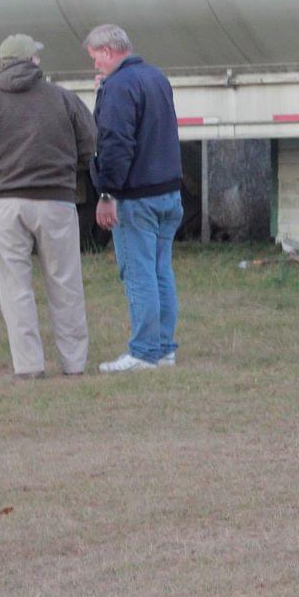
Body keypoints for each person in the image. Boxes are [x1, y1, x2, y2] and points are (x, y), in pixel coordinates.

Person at [0, 34, 98, 379]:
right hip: (56, 202)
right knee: (65, 283)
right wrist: (68, 172)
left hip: (5, 204)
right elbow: (89, 141)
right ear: (32, 61)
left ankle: (29, 366)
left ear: (4, 63)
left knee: (15, 286)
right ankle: (74, 363)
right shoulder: (63, 98)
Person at [85, 24, 184, 374]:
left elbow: (115, 143)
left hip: (136, 197)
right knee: (160, 271)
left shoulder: (118, 86)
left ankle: (143, 352)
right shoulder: (155, 77)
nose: (95, 64)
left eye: (95, 57)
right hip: (168, 192)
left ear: (108, 51)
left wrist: (107, 193)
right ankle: (163, 348)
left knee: (139, 273)